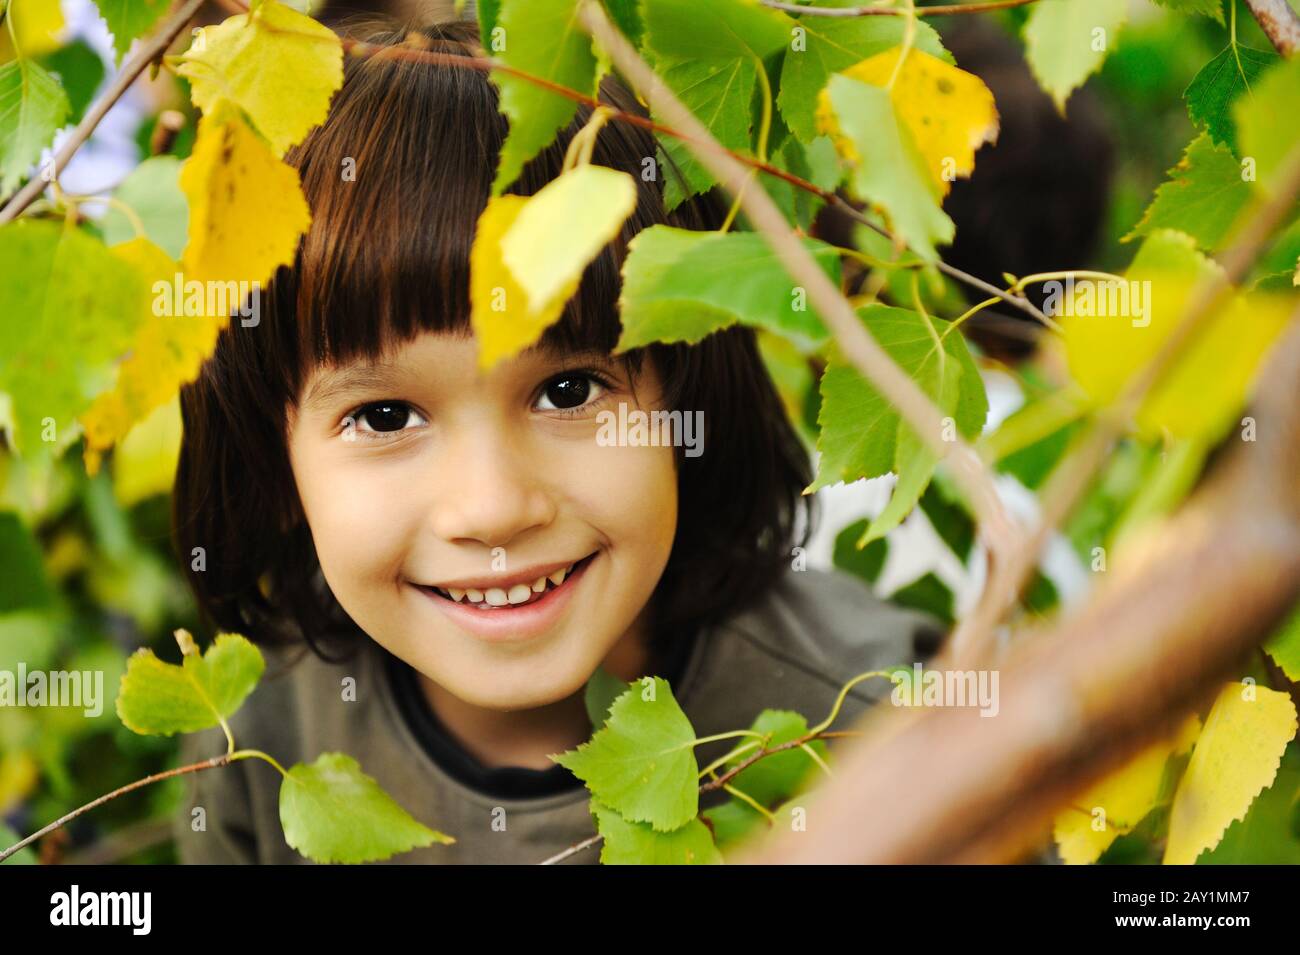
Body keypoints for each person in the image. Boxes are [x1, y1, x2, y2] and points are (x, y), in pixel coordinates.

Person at [169, 17, 942, 865]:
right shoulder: (258, 742)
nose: (493, 508)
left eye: (568, 391)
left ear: (687, 394)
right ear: (272, 461)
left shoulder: (875, 716)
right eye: (386, 417)